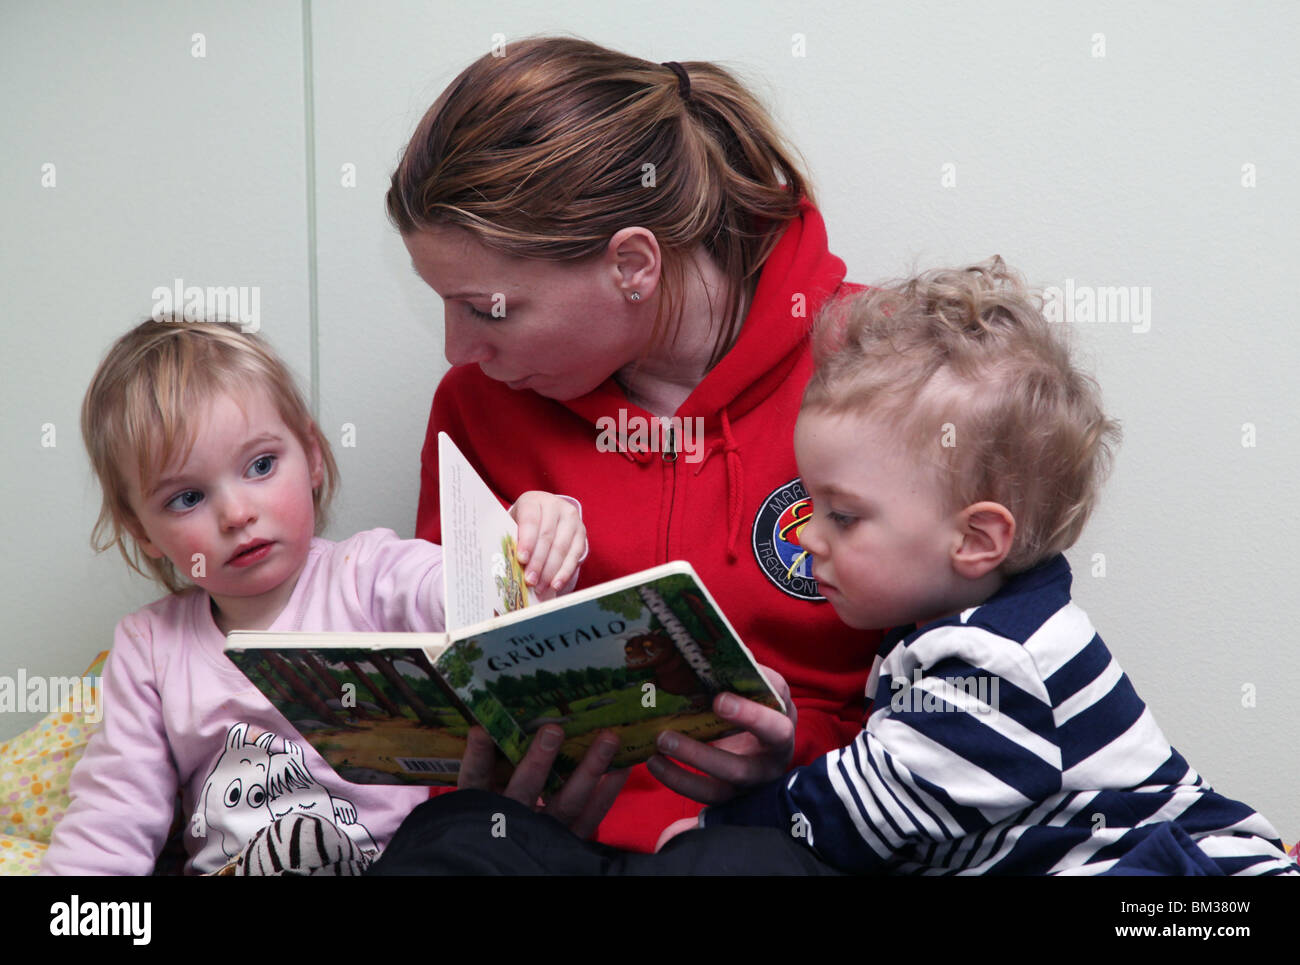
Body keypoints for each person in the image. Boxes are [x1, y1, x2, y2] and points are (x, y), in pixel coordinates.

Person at [655, 258, 1299, 875]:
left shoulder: (1001, 658)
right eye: (811, 506)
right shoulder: (952, 635)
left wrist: (724, 832)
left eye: (843, 517)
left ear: (975, 539)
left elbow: (870, 807)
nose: (808, 540)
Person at [387, 36, 874, 851]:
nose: (456, 348)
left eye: (488, 308)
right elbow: (455, 675)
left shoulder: (877, 374)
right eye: (444, 303)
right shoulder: (478, 405)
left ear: (632, 265)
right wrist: (496, 786)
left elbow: (966, 680)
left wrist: (796, 757)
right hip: (538, 835)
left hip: (779, 829)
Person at [41, 318, 586, 875]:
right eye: (187, 498)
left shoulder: (368, 574)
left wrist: (527, 538)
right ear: (140, 531)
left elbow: (476, 604)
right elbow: (107, 826)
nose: (236, 514)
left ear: (314, 456)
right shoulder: (150, 647)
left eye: (260, 466)